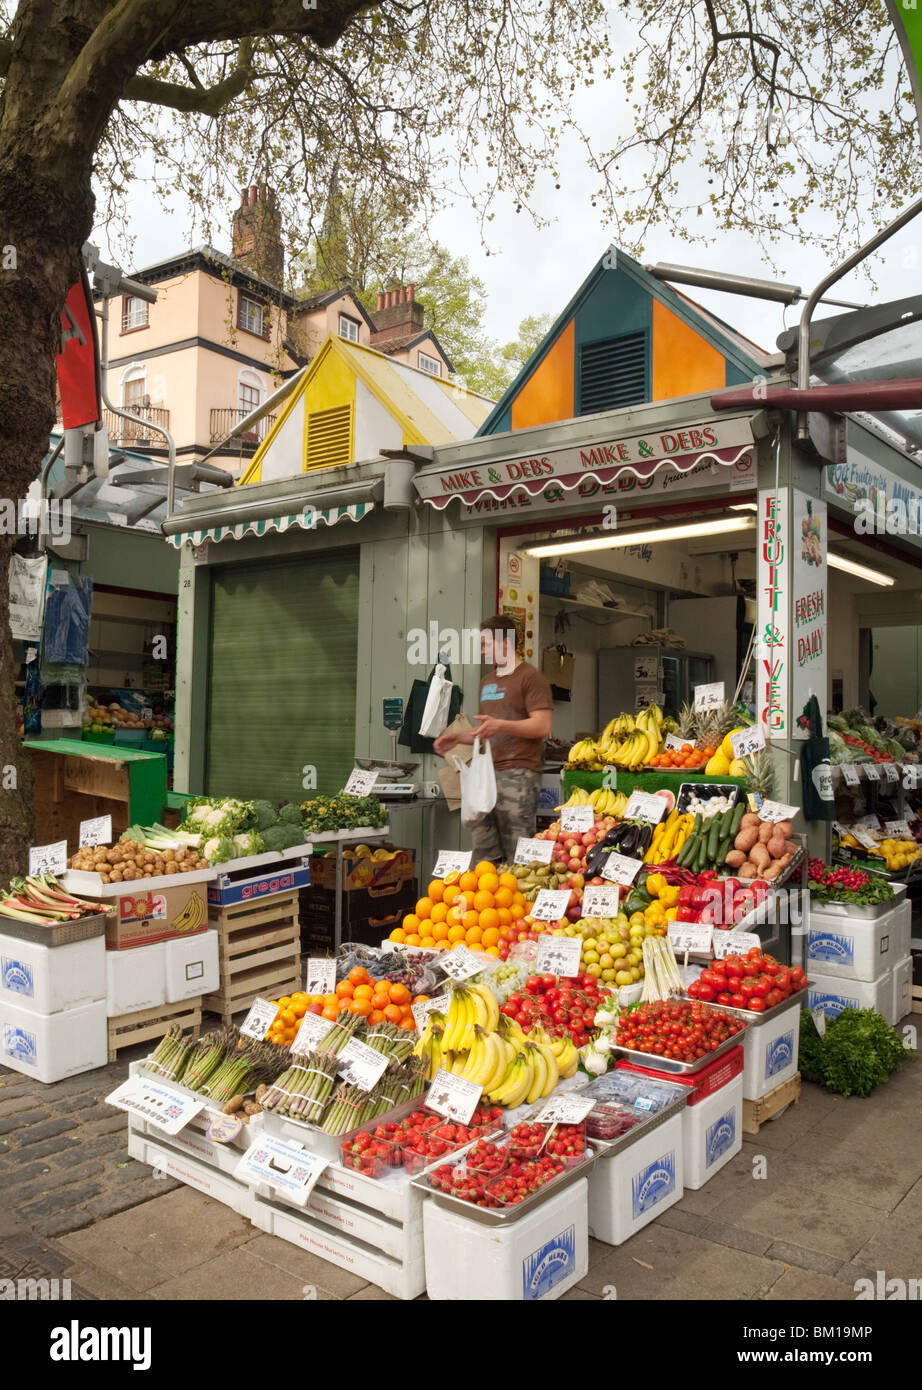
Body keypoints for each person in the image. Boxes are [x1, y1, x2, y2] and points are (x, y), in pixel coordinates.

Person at [434, 616, 553, 863]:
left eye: (486, 644)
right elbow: (486, 730)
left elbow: (542, 725)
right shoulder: (487, 681)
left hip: (519, 774)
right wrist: (457, 738)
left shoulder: (531, 677)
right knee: (484, 852)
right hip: (484, 775)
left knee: (519, 854)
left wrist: (501, 725)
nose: (482, 650)